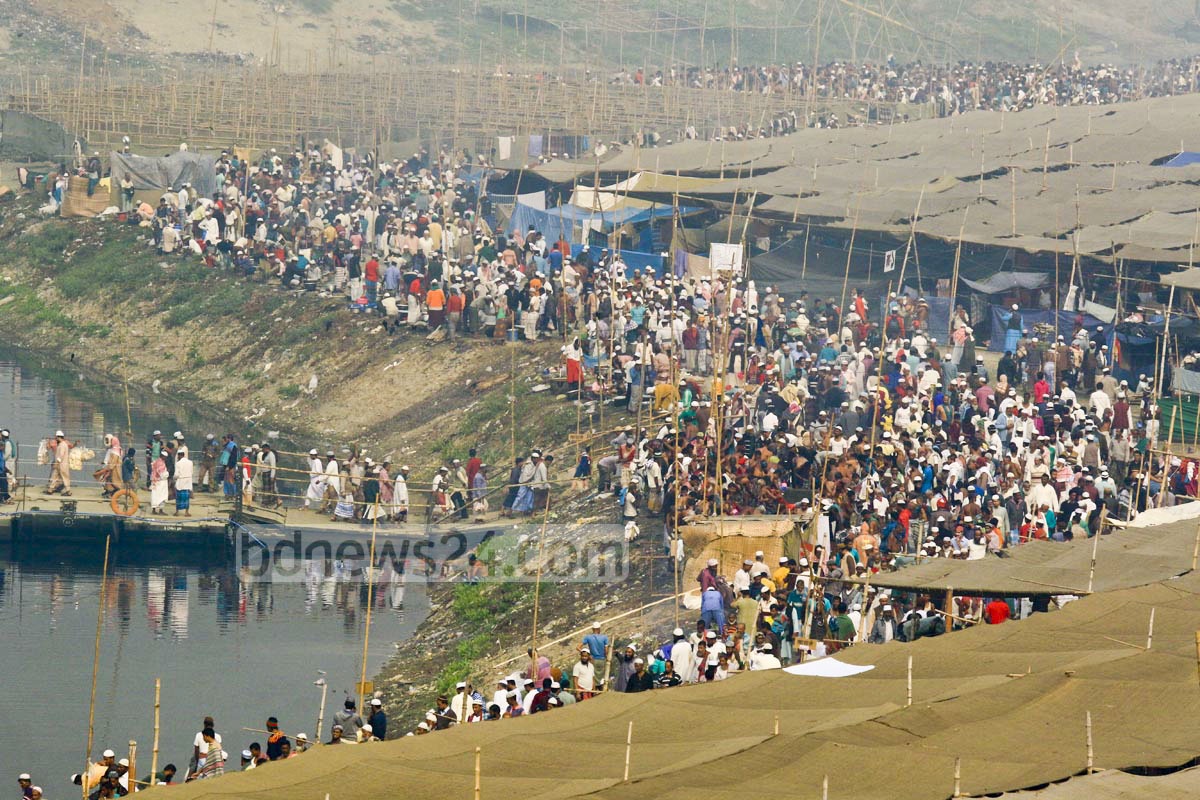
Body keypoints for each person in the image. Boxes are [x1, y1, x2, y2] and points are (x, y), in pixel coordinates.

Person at [44, 430, 74, 496]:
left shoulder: (63, 445)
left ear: (58, 437)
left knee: (65, 477)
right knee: (54, 476)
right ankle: (50, 489)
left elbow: (61, 455)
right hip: (60, 464)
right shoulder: (62, 444)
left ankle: (68, 491)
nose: (55, 439)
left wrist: (57, 463)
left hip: (62, 464)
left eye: (56, 437)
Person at [174, 449, 193, 517]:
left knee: (178, 498)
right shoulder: (190, 462)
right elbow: (191, 472)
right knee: (186, 498)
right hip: (188, 482)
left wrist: (174, 478)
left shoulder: (178, 463)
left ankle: (177, 512)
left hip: (180, 483)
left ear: (179, 455)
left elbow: (176, 474)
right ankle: (186, 512)